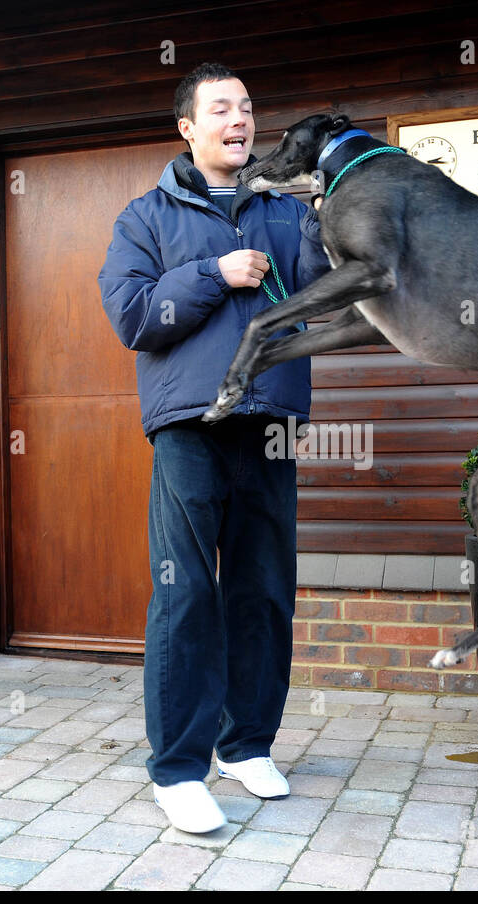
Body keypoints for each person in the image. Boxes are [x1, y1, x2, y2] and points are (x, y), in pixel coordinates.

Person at [98, 63, 329, 833]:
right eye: (221, 108)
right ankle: (178, 767)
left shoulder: (285, 214)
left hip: (269, 420)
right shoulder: (147, 217)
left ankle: (247, 742)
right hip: (191, 424)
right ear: (187, 128)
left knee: (264, 588)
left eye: (249, 106)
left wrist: (335, 222)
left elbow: (327, 293)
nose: (241, 118)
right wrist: (213, 272)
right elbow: (133, 315)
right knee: (187, 590)